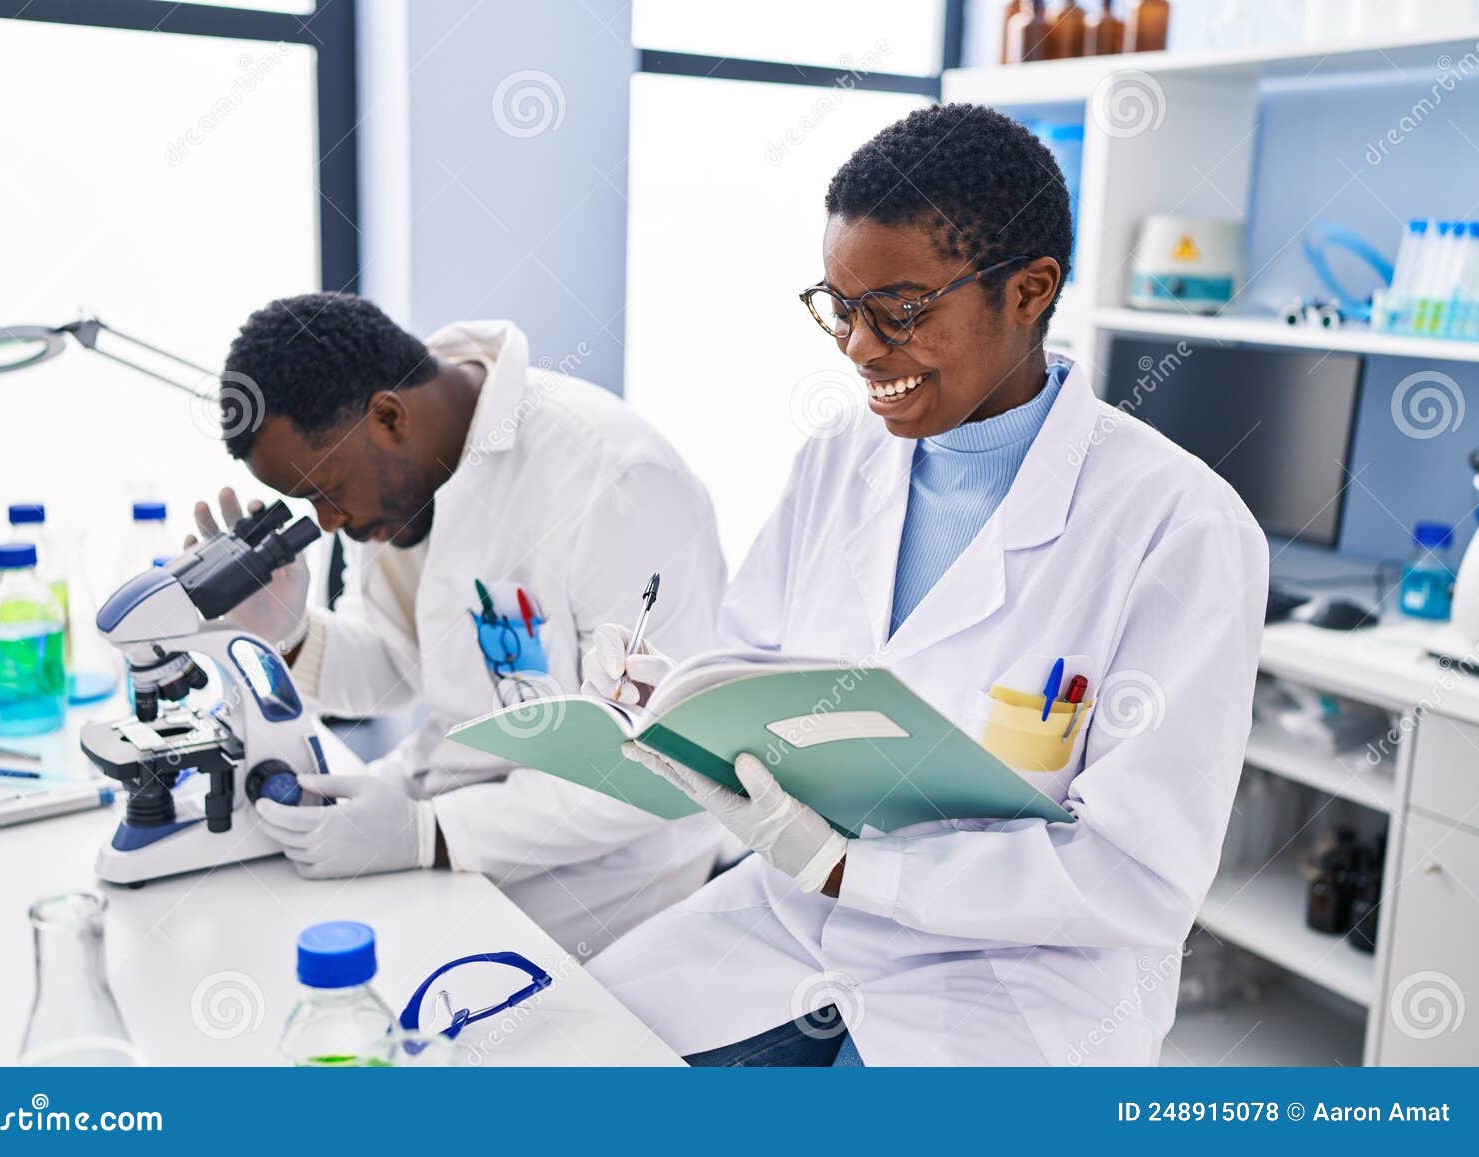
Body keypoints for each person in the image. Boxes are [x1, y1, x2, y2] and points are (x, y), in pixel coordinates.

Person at [582, 104, 1268, 1064]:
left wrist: (854, 869)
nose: (861, 349)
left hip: (1011, 986)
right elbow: (761, 664)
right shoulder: (838, 460)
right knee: (565, 1050)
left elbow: (1137, 873)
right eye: (840, 307)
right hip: (781, 927)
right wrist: (673, 696)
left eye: (900, 311)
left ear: (1030, 290)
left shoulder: (1179, 526)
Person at [193, 294, 730, 958]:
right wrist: (290, 633)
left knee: (399, 995)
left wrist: (432, 831)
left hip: (613, 883)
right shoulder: (399, 478)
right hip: (463, 818)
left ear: (388, 415)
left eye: (326, 491)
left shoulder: (613, 478)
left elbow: (657, 765)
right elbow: (400, 670)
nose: (327, 523)